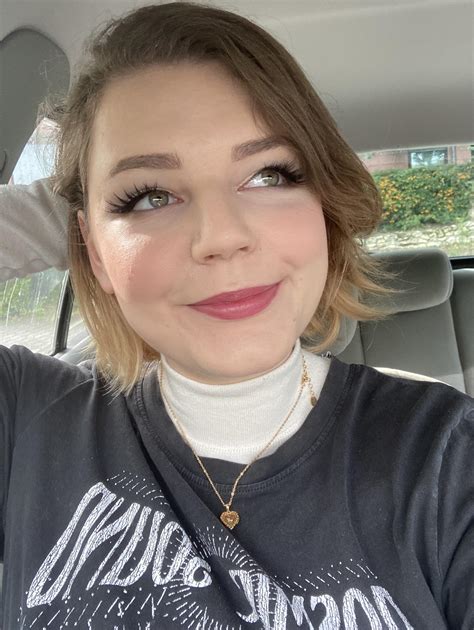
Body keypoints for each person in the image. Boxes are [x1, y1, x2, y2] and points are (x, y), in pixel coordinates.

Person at [0, 3, 472, 629]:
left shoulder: (446, 454)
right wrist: (77, 201)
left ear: (325, 207)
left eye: (270, 175)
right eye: (148, 196)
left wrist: (122, 200)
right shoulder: (27, 416)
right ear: (91, 249)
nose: (221, 237)